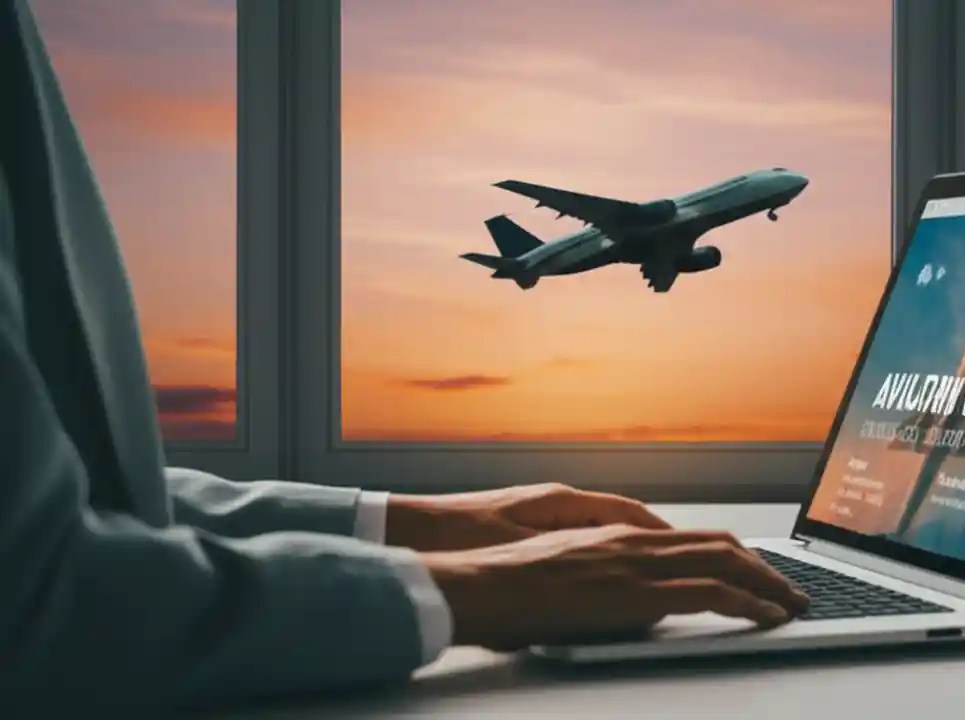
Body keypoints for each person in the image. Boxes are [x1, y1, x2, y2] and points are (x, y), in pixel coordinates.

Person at [0, 0, 806, 713]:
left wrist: (410, 523)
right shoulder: (648, 211)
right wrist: (489, 589)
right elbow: (31, 607)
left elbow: (59, 499)